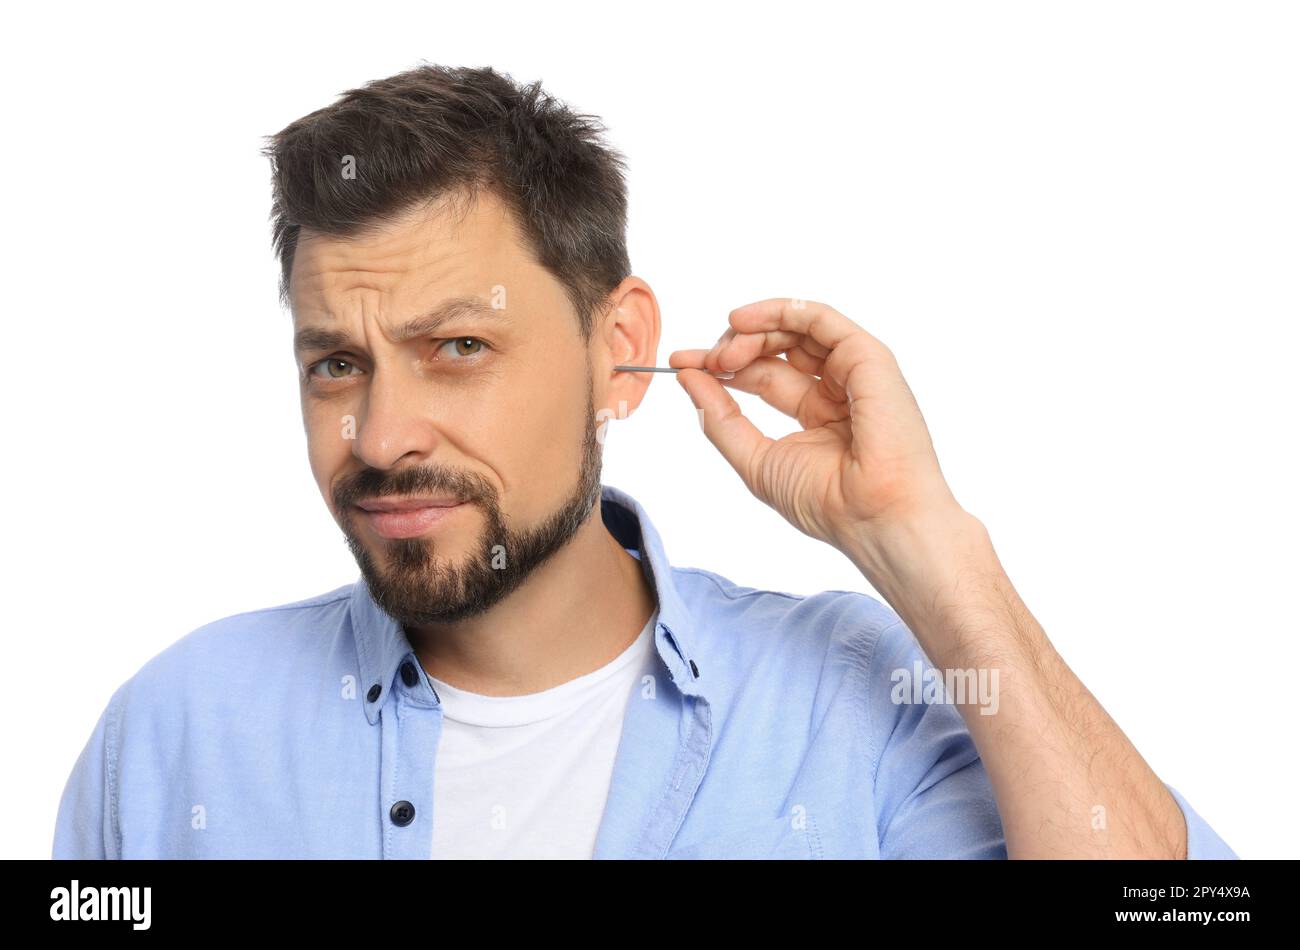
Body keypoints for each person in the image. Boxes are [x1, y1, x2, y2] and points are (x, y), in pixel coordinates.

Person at [53, 64, 1235, 859]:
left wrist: (940, 562)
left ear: (618, 353)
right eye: (334, 365)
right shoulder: (176, 733)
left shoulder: (855, 709)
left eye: (458, 347)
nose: (381, 435)